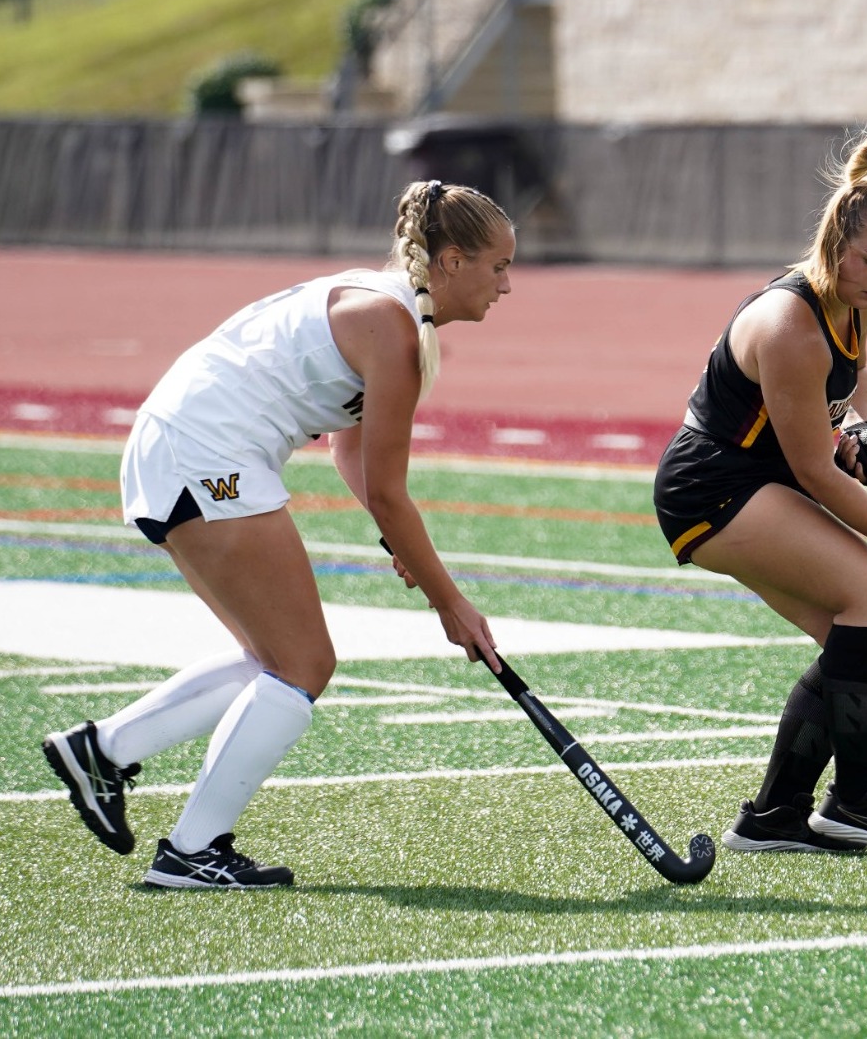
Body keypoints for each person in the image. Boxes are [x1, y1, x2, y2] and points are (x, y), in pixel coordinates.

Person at [42, 180, 515, 889]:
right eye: (498, 266)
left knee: (275, 658)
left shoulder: (391, 311)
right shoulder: (392, 330)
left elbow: (350, 452)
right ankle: (192, 850)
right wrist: (451, 603)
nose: (508, 285)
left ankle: (104, 752)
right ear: (450, 262)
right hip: (207, 454)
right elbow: (387, 491)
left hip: (183, 447)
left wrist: (401, 550)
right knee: (301, 664)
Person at [653, 133, 867, 854]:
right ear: (836, 242)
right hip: (713, 486)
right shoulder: (793, 325)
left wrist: (862, 422)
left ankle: (774, 816)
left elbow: (851, 378)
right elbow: (818, 474)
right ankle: (859, 799)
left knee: (849, 635)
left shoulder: (852, 300)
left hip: (755, 478)